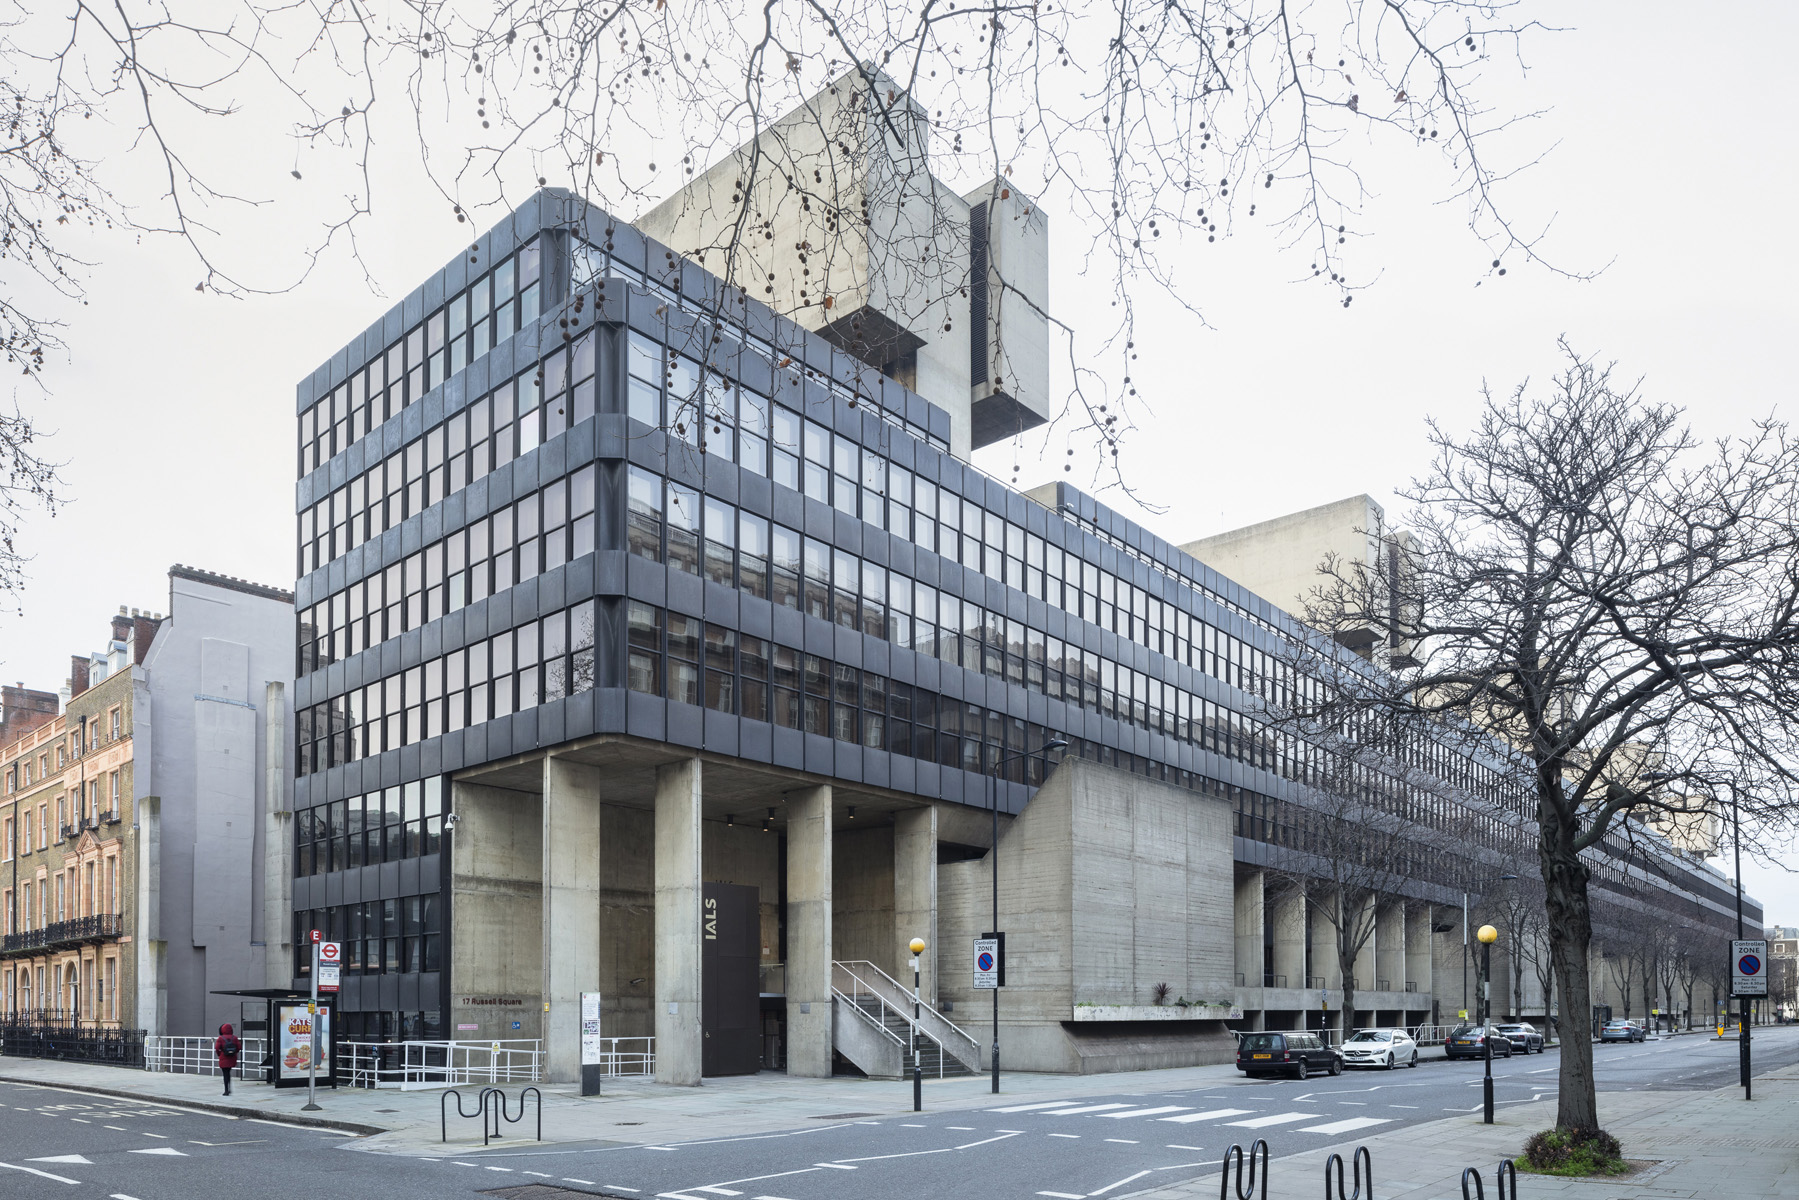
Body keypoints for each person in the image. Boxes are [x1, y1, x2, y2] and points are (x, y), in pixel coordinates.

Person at [214, 1023, 241, 1095]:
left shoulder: (220, 1038)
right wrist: (234, 1053)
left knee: (225, 1074)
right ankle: (229, 1088)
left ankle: (226, 1090)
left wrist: (219, 1054)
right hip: (232, 1058)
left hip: (223, 1057)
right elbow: (239, 1047)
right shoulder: (234, 1038)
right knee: (228, 1073)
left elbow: (217, 1048)